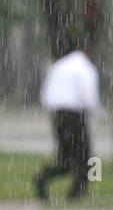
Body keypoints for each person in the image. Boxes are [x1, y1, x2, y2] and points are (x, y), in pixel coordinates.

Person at [34, 40, 105, 201]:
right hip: (74, 116)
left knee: (65, 158)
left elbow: (45, 94)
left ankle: (43, 178)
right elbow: (89, 96)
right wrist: (100, 114)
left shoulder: (59, 66)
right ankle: (76, 193)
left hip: (57, 115)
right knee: (86, 157)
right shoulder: (86, 69)